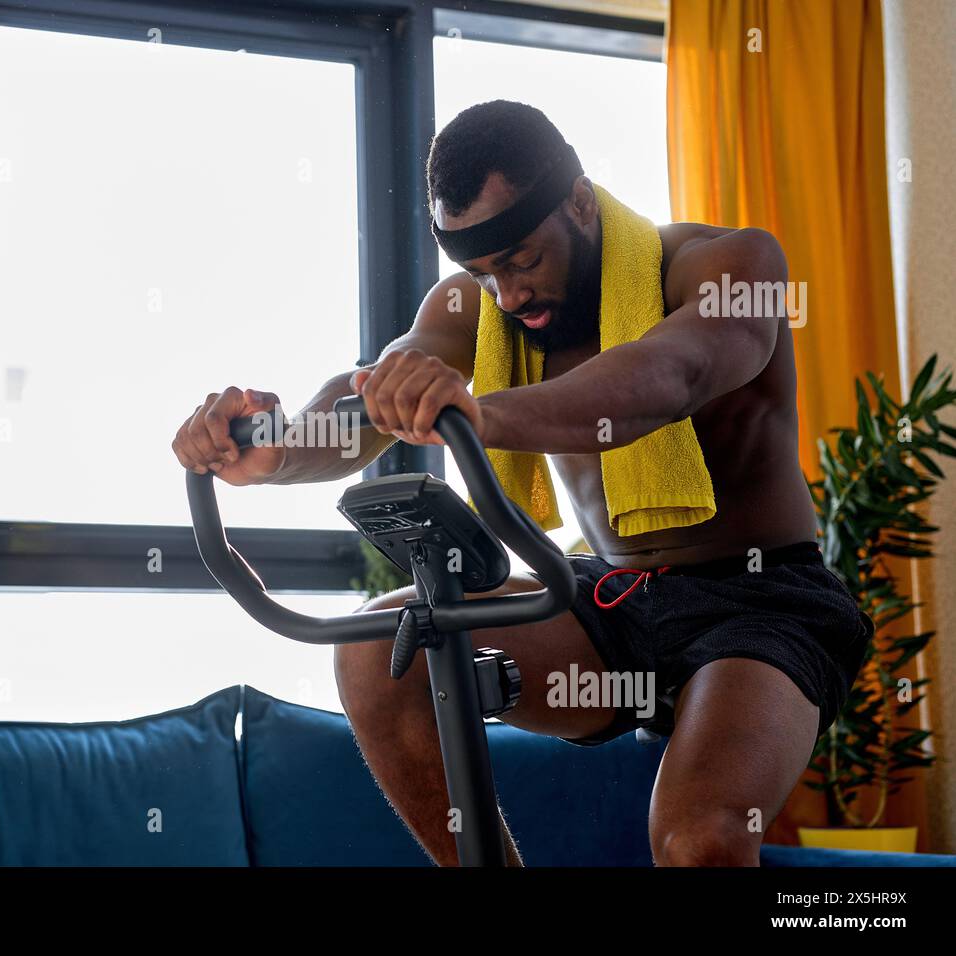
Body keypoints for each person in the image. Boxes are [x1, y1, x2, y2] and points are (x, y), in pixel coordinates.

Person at [171, 100, 872, 867]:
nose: (506, 297)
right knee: (381, 652)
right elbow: (369, 394)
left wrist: (480, 412)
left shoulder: (730, 265)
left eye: (521, 261)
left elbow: (669, 375)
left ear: (578, 200)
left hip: (764, 601)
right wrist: (271, 446)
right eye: (481, 272)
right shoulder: (474, 308)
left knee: (698, 841)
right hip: (610, 600)